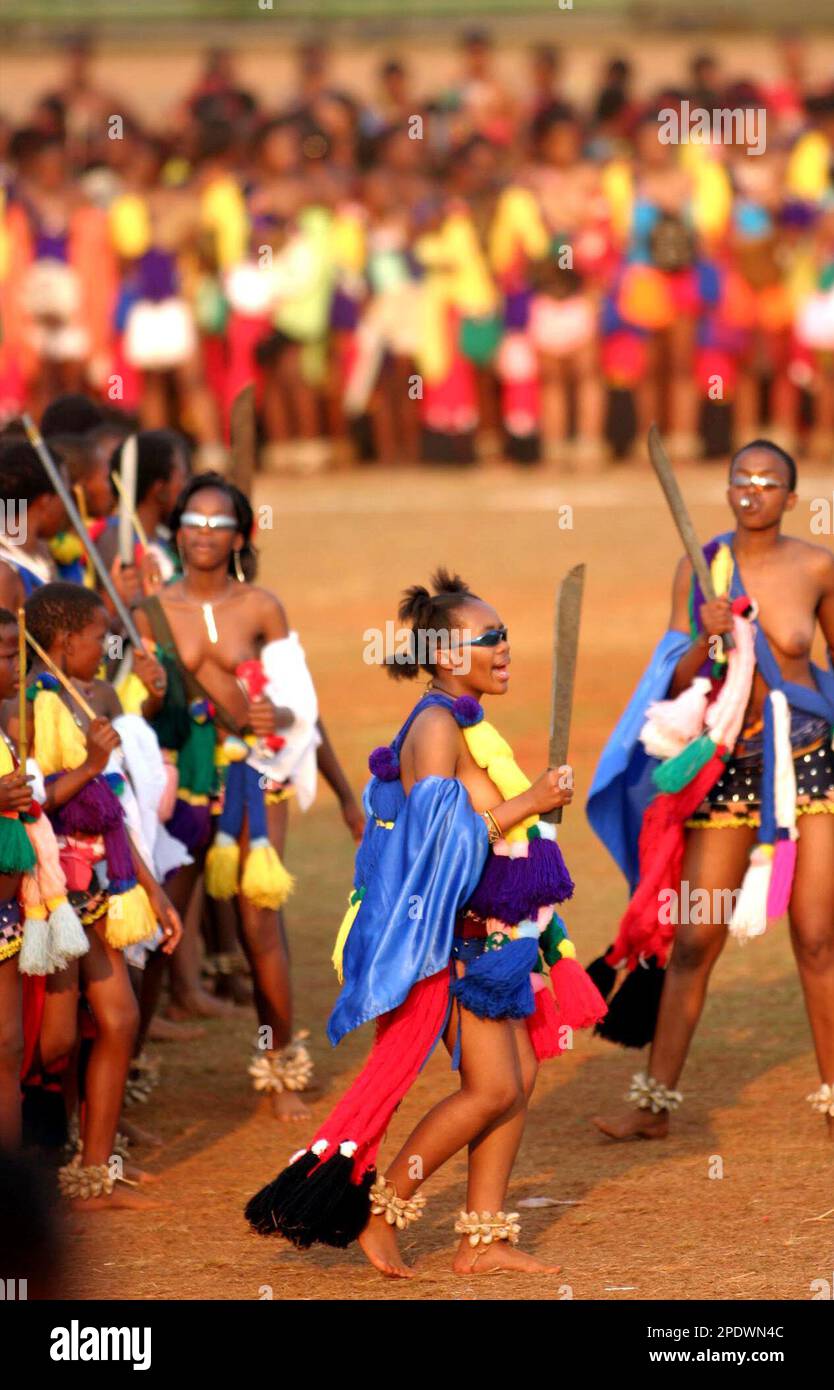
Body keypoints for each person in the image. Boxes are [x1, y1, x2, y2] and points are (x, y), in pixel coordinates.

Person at [246, 570, 606, 1276]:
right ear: (446, 655)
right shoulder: (437, 725)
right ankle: (382, 1210)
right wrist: (529, 800)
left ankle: (483, 1237)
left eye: (505, 635)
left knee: (518, 1076)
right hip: (446, 940)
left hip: (487, 938)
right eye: (489, 638)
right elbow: (440, 843)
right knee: (492, 1087)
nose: (505, 649)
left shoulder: (462, 718)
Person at [587, 439, 834, 1139]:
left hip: (809, 764)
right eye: (741, 479)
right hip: (726, 767)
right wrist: (705, 635)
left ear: (790, 497)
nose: (753, 490)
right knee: (695, 937)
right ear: (727, 490)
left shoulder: (818, 566)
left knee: (817, 938)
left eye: (769, 482)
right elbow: (670, 681)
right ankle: (654, 1105)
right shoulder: (701, 569)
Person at [131, 472, 358, 1116]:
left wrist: (333, 781)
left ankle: (280, 1069)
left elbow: (300, 706)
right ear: (176, 531)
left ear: (239, 536)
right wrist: (147, 684)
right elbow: (133, 711)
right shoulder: (146, 610)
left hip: (255, 775)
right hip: (181, 782)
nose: (203, 535)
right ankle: (131, 1072)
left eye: (217, 524)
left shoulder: (261, 606)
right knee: (160, 925)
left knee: (260, 920)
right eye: (192, 523)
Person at [20, 581, 182, 1207]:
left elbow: (114, 810)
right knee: (52, 1045)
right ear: (63, 641)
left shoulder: (84, 698)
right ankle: (60, 1157)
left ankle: (93, 1172)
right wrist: (89, 764)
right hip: (51, 895)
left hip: (101, 888)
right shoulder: (27, 709)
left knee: (118, 1019)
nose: (106, 647)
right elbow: (34, 803)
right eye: (98, 638)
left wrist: (153, 889)